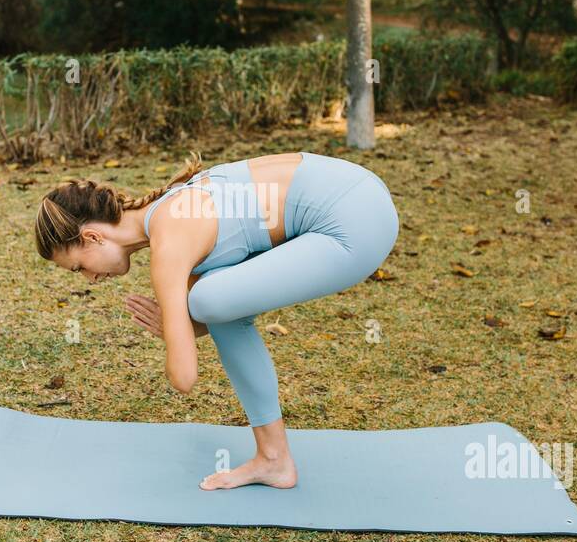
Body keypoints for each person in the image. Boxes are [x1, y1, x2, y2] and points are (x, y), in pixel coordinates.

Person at [35, 150, 399, 490]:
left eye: (80, 267)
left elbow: (184, 377)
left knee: (207, 298)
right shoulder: (170, 208)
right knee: (211, 300)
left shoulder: (170, 239)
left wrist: (174, 331)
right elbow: (213, 312)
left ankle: (274, 457)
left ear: (93, 236)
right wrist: (186, 324)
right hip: (365, 197)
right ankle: (274, 459)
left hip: (355, 222)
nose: (90, 279)